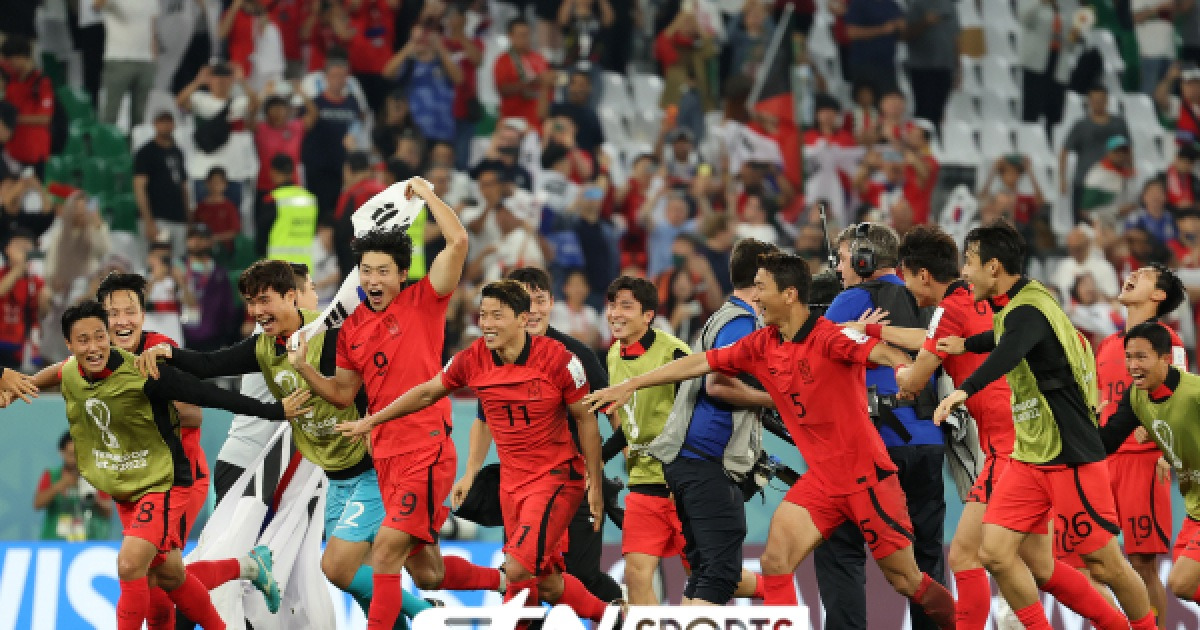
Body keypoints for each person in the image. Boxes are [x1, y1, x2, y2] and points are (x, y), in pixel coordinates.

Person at [583, 252, 957, 628]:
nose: (755, 296)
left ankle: (962, 622)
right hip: (822, 482)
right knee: (775, 562)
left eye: (761, 287)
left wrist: (906, 370)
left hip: (865, 477)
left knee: (906, 580)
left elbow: (879, 350)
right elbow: (702, 362)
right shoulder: (762, 343)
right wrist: (631, 383)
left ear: (790, 294)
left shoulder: (829, 336)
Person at [136, 260, 434, 623]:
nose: (256, 311)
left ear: (292, 296)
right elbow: (210, 364)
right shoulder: (264, 346)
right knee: (353, 574)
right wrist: (170, 352)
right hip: (332, 474)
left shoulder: (329, 336)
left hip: (370, 469)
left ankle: (425, 610)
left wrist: (377, 428)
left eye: (264, 300)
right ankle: (421, 611)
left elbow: (373, 381)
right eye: (251, 302)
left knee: (361, 568)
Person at [11, 301, 310, 630]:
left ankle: (246, 571)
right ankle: (245, 577)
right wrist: (22, 386)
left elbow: (207, 396)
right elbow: (58, 371)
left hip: (165, 483)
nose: (94, 346)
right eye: (83, 340)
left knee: (130, 565)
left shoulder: (143, 371)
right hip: (127, 489)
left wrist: (275, 411)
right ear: (70, 344)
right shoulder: (72, 369)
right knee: (168, 576)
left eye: (100, 337)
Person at [289, 181, 501, 630]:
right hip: (384, 457)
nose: (372, 280)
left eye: (383, 271)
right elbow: (344, 393)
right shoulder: (351, 329)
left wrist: (425, 194)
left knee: (384, 551)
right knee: (427, 573)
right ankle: (507, 581)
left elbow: (458, 241)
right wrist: (306, 370)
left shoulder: (425, 300)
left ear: (402, 274)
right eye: (366, 271)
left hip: (425, 449)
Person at [338, 279, 611, 620]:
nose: (487, 324)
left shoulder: (561, 361)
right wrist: (371, 421)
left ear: (522, 319)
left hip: (555, 478)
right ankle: (615, 618)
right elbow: (427, 392)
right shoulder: (471, 359)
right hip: (511, 484)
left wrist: (595, 485)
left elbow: (586, 420)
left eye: (497, 316)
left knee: (517, 569)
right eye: (483, 315)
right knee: (548, 583)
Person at [933, 220, 1158, 629]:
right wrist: (966, 344)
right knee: (996, 552)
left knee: (1105, 564)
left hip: (1070, 452)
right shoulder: (1019, 304)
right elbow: (1003, 337)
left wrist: (964, 389)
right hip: (1031, 456)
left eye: (969, 262)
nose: (964, 272)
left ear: (994, 267)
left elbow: (1011, 349)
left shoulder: (1029, 310)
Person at [844, 225, 1016, 630]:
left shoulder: (948, 309)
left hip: (1009, 444)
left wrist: (880, 357)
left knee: (977, 556)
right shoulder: (979, 302)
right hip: (1016, 437)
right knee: (1020, 559)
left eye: (905, 277)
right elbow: (931, 339)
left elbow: (915, 376)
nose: (904, 288)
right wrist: (875, 330)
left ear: (922, 275)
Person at [819, 222, 946, 630]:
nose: (838, 269)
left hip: (874, 445)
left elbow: (814, 364)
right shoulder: (931, 300)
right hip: (929, 440)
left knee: (840, 549)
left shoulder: (850, 300)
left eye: (841, 260)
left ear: (863, 260)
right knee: (926, 556)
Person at [638, 238, 779, 606]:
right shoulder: (743, 322)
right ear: (761, 280)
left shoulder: (723, 315)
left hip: (690, 460)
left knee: (705, 572)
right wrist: (773, 398)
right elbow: (717, 384)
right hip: (706, 459)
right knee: (720, 573)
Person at [1083, 264, 1187, 629]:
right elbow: (1096, 401)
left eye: (1143, 274)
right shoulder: (1109, 345)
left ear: (1158, 296)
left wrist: (1163, 445)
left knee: (1142, 564)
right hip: (1102, 461)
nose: (1131, 274)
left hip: (1145, 463)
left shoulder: (1168, 343)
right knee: (1094, 560)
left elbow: (1179, 395)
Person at [1098, 322, 1200, 608]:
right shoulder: (1136, 396)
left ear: (1166, 359)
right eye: (1129, 357)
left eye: (1141, 357)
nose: (1132, 365)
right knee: (1182, 587)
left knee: (1181, 580)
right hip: (1195, 508)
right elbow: (1107, 441)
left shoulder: (1194, 393)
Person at [35, 431, 114, 541]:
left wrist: (91, 496)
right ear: (61, 452)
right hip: (56, 542)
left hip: (89, 542)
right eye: (71, 455)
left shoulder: (96, 476)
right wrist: (60, 485)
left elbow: (108, 512)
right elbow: (37, 504)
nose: (76, 460)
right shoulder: (52, 475)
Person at [134, 111, 192, 257]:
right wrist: (148, 221)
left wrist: (188, 217)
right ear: (154, 124)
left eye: (169, 122)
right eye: (162, 122)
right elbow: (139, 187)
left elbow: (183, 186)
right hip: (158, 217)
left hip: (178, 217)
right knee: (158, 259)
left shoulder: (177, 151)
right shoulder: (146, 152)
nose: (166, 125)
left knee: (179, 262)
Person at [97, 0, 158, 125]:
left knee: (140, 117)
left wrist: (154, 59)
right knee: (110, 114)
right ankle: (106, 144)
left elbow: (152, 27)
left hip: (145, 61)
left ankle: (134, 144)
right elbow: (97, 5)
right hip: (119, 59)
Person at [181, 225, 239, 352]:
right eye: (192, 237)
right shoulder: (178, 269)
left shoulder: (219, 273)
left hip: (213, 338)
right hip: (181, 337)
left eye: (201, 238)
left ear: (210, 242)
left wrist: (227, 337)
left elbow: (228, 307)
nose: (196, 242)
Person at [258, 154, 319, 265]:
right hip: (305, 267)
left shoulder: (273, 199)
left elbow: (262, 237)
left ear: (273, 172)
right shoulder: (310, 199)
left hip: (279, 268)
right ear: (292, 172)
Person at [493, 19, 550, 131]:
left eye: (527, 34)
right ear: (510, 36)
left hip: (537, 122)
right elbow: (503, 89)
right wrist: (530, 83)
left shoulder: (539, 58)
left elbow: (547, 88)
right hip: (513, 123)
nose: (525, 38)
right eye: (521, 35)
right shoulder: (503, 60)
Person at [0, 229, 44, 369]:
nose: (23, 251)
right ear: (6, 249)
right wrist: (17, 271)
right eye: (18, 246)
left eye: (27, 247)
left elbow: (43, 310)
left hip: (20, 343)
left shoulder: (34, 280)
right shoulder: (2, 274)